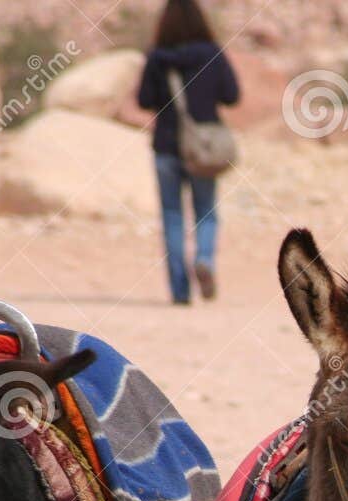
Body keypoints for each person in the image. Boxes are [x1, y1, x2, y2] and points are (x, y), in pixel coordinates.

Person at [138, 0, 239, 304]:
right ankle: (204, 259)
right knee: (205, 212)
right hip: (202, 147)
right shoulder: (212, 54)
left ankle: (180, 291)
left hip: (167, 147)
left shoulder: (157, 59)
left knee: (172, 216)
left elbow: (144, 100)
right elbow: (232, 95)